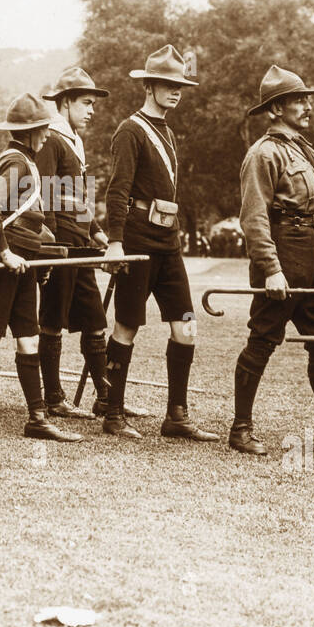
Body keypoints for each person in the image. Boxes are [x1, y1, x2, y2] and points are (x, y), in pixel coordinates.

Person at [229, 65, 314, 457]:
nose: (307, 107)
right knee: (263, 338)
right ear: (275, 109)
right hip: (284, 257)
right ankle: (241, 428)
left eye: (307, 100)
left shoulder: (311, 153)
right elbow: (253, 219)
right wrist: (271, 270)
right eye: (298, 101)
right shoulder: (262, 154)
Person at [100, 45, 217, 443]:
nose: (176, 91)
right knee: (126, 326)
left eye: (180, 85)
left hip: (168, 242)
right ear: (148, 85)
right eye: (167, 84)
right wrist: (115, 242)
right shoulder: (130, 129)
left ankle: (177, 416)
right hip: (135, 239)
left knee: (186, 326)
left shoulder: (169, 132)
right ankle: (113, 413)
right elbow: (117, 191)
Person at [0, 94, 82, 442]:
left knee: (28, 337)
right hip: (6, 262)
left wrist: (41, 252)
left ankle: (37, 419)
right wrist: (6, 253)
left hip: (23, 264)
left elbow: (30, 216)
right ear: (30, 132)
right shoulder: (17, 163)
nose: (45, 136)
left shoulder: (25, 160)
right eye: (42, 130)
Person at [36, 67, 113, 420]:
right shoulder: (50, 138)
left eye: (93, 103)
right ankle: (53, 397)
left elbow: (78, 196)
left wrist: (96, 229)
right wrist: (49, 245)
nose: (92, 110)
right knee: (53, 318)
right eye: (85, 102)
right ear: (64, 103)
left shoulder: (75, 141)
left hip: (80, 241)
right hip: (60, 242)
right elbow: (46, 193)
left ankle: (105, 395)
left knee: (95, 318)